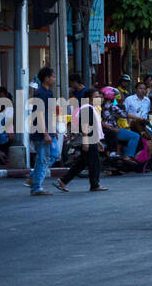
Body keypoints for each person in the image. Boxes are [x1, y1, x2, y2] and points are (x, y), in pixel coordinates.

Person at [56, 89, 108, 192]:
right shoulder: (87, 108)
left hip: (92, 139)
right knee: (94, 163)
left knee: (81, 163)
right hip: (89, 139)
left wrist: (98, 141)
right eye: (96, 97)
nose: (99, 99)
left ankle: (63, 180)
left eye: (99, 96)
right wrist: (86, 141)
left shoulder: (91, 108)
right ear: (89, 99)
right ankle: (95, 185)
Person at [29, 66, 56, 196]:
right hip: (40, 131)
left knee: (51, 155)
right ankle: (36, 187)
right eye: (52, 76)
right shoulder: (40, 93)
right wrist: (45, 133)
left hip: (48, 128)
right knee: (43, 159)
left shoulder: (49, 92)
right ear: (46, 78)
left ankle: (34, 179)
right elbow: (39, 114)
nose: (54, 79)